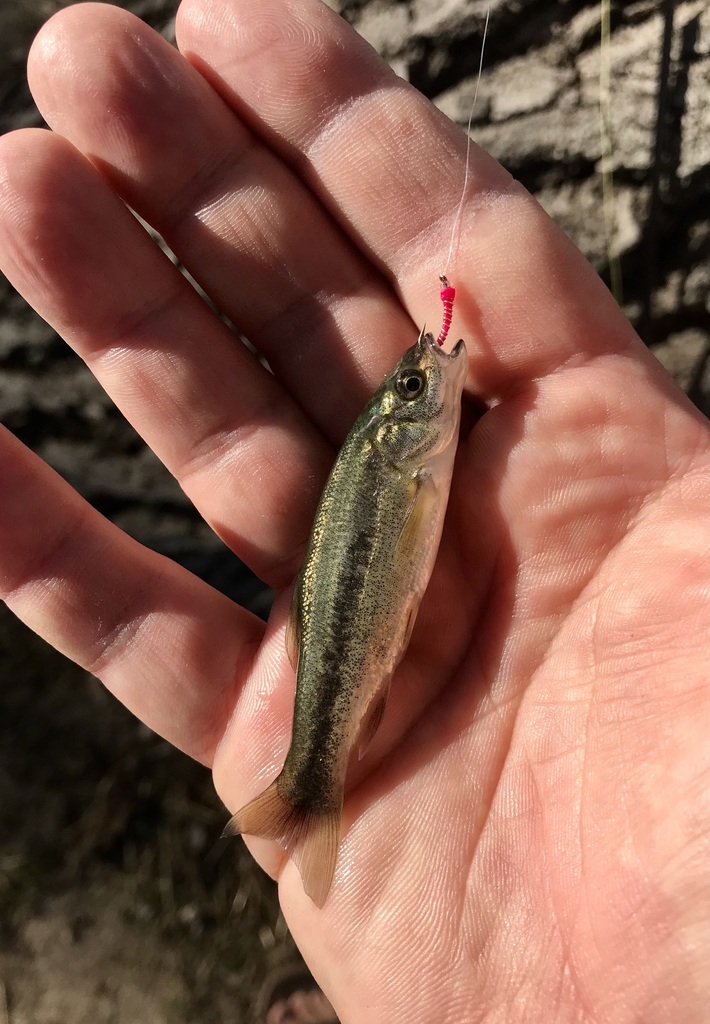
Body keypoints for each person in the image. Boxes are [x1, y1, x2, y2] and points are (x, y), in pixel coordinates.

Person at [0, 0, 707, 1021]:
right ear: (399, 437)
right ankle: (308, 781)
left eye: (413, 393)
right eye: (413, 398)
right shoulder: (401, 461)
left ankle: (309, 783)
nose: (430, 387)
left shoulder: (409, 459)